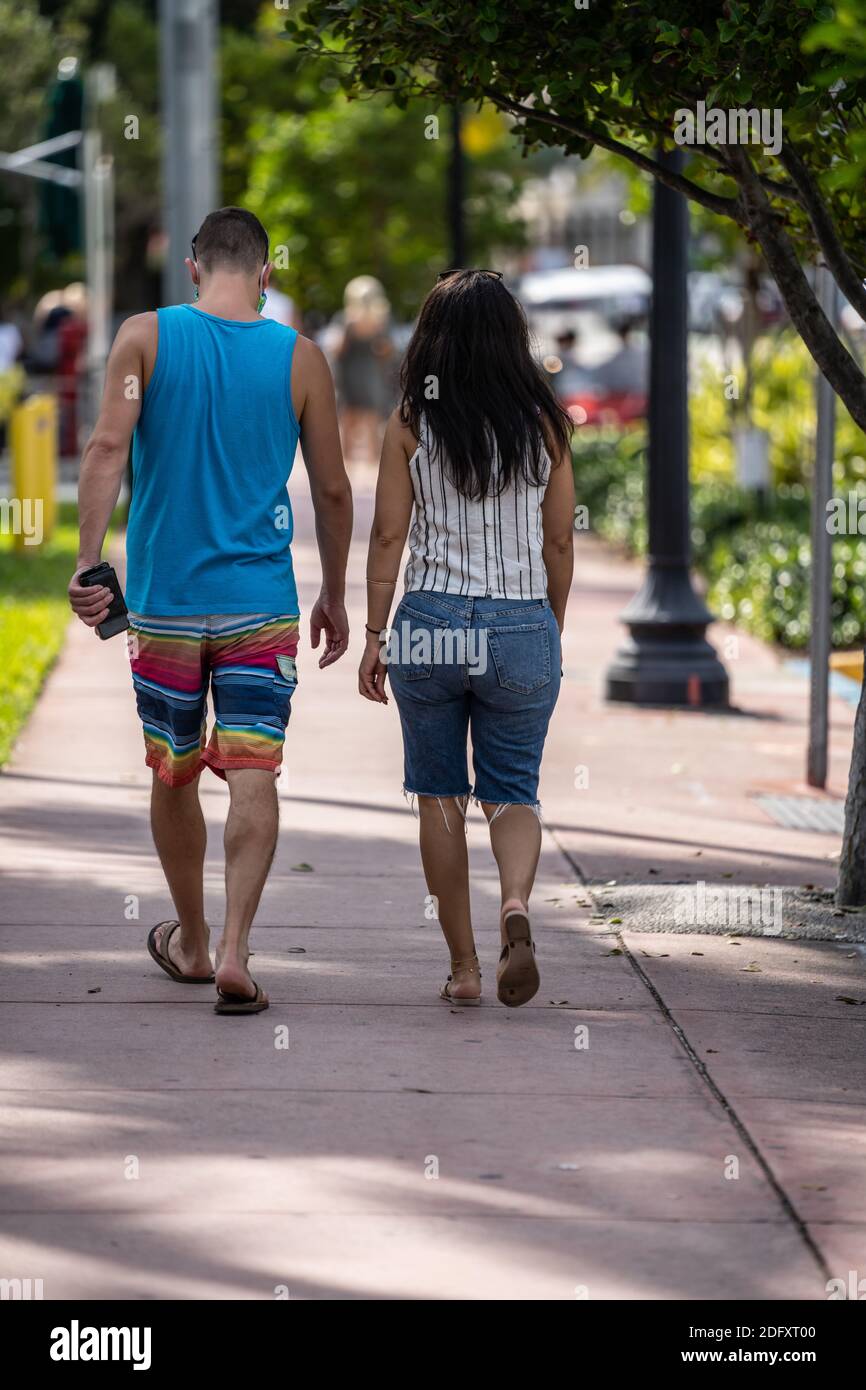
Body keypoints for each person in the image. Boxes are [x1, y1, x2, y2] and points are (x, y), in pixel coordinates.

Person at [68, 207, 352, 1016]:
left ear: (193, 268)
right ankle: (234, 949)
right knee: (253, 770)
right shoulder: (301, 359)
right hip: (259, 608)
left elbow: (106, 449)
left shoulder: (144, 338)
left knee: (175, 771)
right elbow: (333, 490)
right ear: (266, 274)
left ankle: (190, 941)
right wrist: (333, 592)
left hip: (164, 605)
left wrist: (88, 563)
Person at [358, 269, 574, 1008]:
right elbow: (559, 547)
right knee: (513, 794)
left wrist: (373, 634)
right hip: (520, 624)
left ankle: (464, 969)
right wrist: (550, 628)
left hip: (430, 627)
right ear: (512, 340)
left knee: (439, 797)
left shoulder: (412, 421)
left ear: (433, 340)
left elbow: (389, 535)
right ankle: (515, 904)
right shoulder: (545, 424)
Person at [333, 276, 396, 463]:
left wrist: (377, 332)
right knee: (348, 419)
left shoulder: (383, 319)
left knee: (372, 420)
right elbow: (337, 350)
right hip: (349, 376)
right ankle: (346, 464)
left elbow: (387, 352)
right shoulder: (344, 318)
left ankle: (372, 468)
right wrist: (350, 328)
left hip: (371, 376)